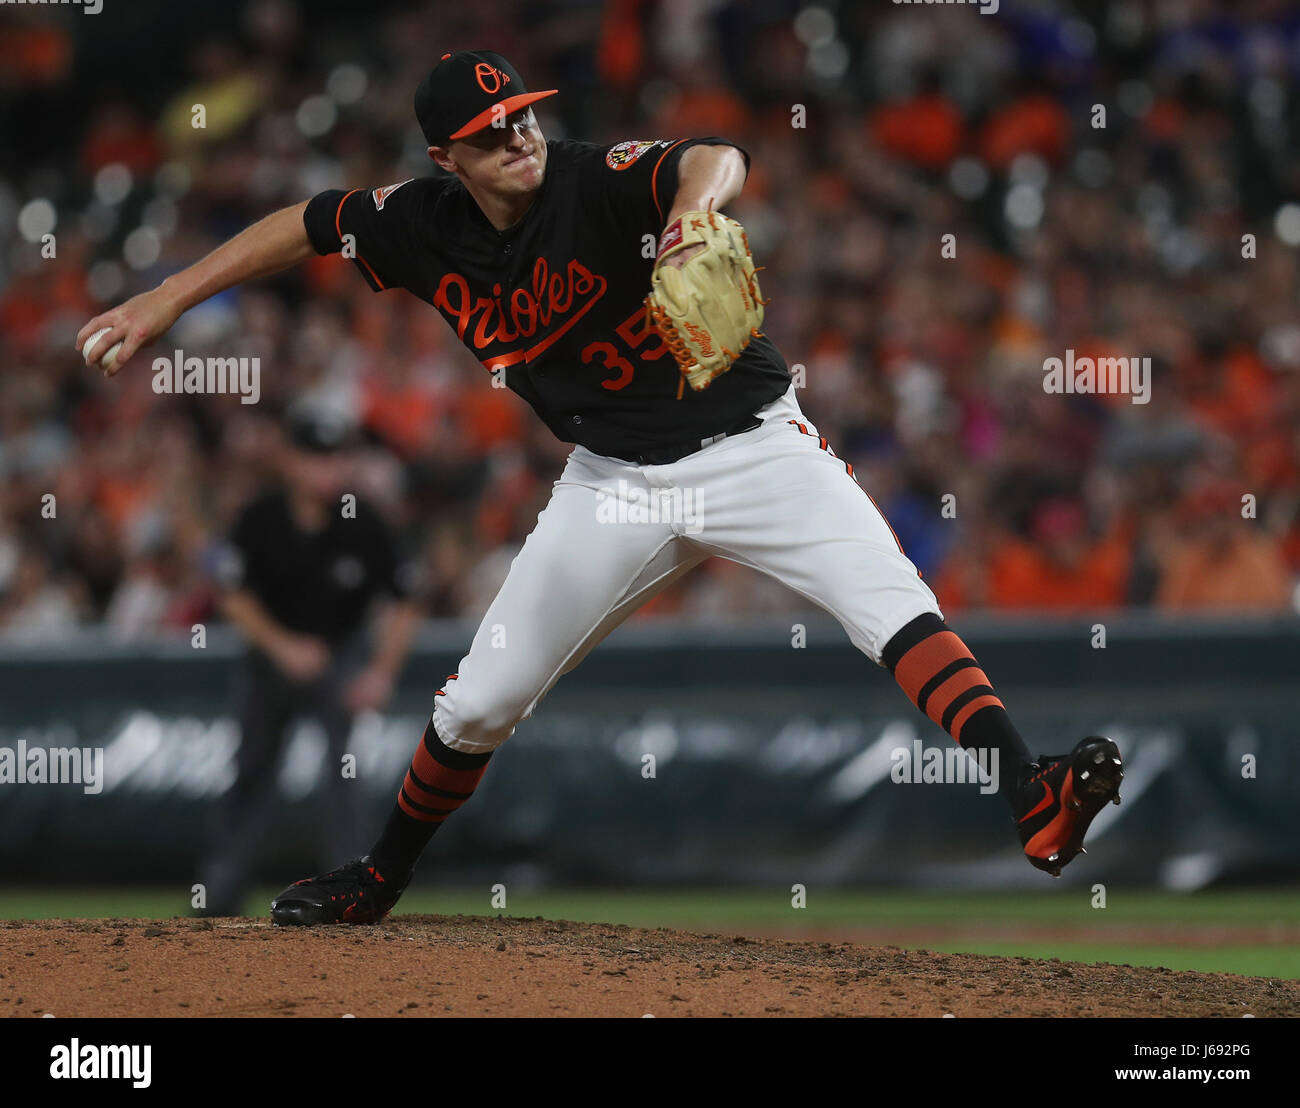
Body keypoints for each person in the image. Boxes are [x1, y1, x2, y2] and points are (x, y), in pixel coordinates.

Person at [77, 50, 1123, 925]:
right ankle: (378, 877)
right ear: (447, 157)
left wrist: (691, 214)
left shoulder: (594, 177)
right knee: (481, 697)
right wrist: (166, 297)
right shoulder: (419, 223)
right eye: (492, 131)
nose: (520, 138)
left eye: (524, 116)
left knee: (893, 607)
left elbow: (716, 155)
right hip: (611, 480)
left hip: (752, 446)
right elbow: (308, 220)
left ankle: (1030, 794)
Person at [197, 409, 422, 915]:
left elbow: (408, 598)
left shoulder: (364, 519)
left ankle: (350, 894)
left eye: (337, 458)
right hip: (271, 660)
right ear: (291, 461)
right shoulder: (261, 517)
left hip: (341, 657)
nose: (329, 470)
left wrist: (381, 672)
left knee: (343, 777)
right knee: (251, 771)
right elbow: (229, 592)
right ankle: (218, 897)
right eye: (317, 458)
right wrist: (283, 647)